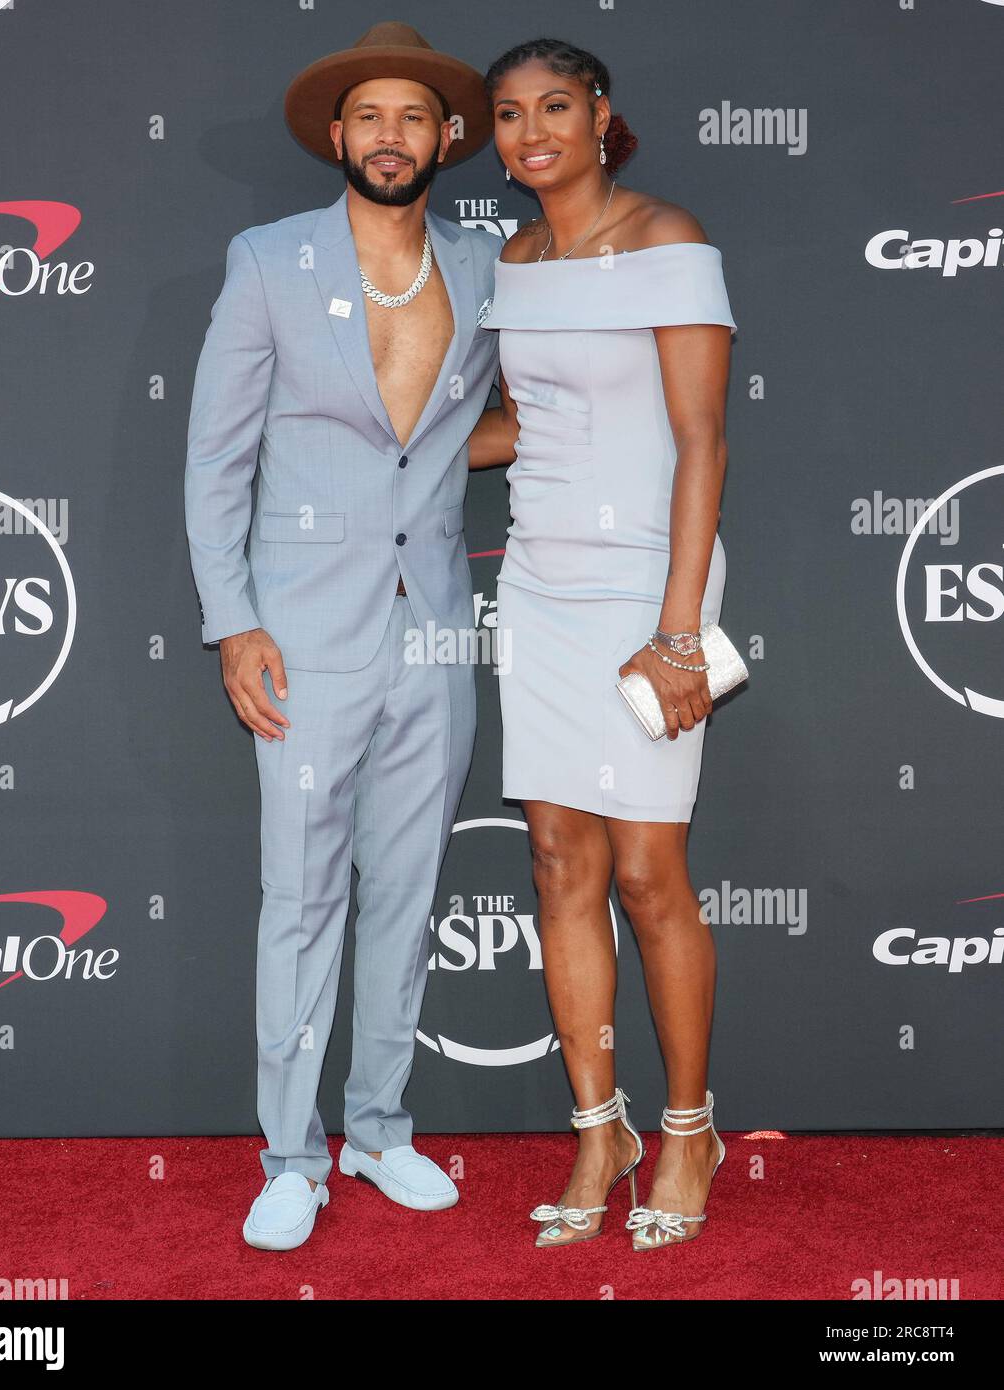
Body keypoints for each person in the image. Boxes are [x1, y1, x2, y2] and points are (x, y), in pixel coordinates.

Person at [184, 22, 500, 1251]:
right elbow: (217, 456)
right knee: (302, 897)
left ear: (443, 140)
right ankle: (290, 1154)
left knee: (406, 891)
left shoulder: (480, 267)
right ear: (337, 136)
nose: (389, 136)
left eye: (412, 118)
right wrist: (234, 622)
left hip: (434, 632)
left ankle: (378, 1128)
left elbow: (458, 429)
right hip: (303, 639)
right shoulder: (266, 261)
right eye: (368, 117)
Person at [470, 37, 738, 1250]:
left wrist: (678, 634)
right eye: (510, 113)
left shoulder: (667, 239)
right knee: (557, 863)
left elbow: (700, 444)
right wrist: (368, 440)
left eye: (554, 107)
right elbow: (523, 423)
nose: (532, 131)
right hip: (535, 583)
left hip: (646, 584)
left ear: (599, 116)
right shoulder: (511, 260)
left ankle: (687, 1126)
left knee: (645, 872)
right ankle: (599, 1129)